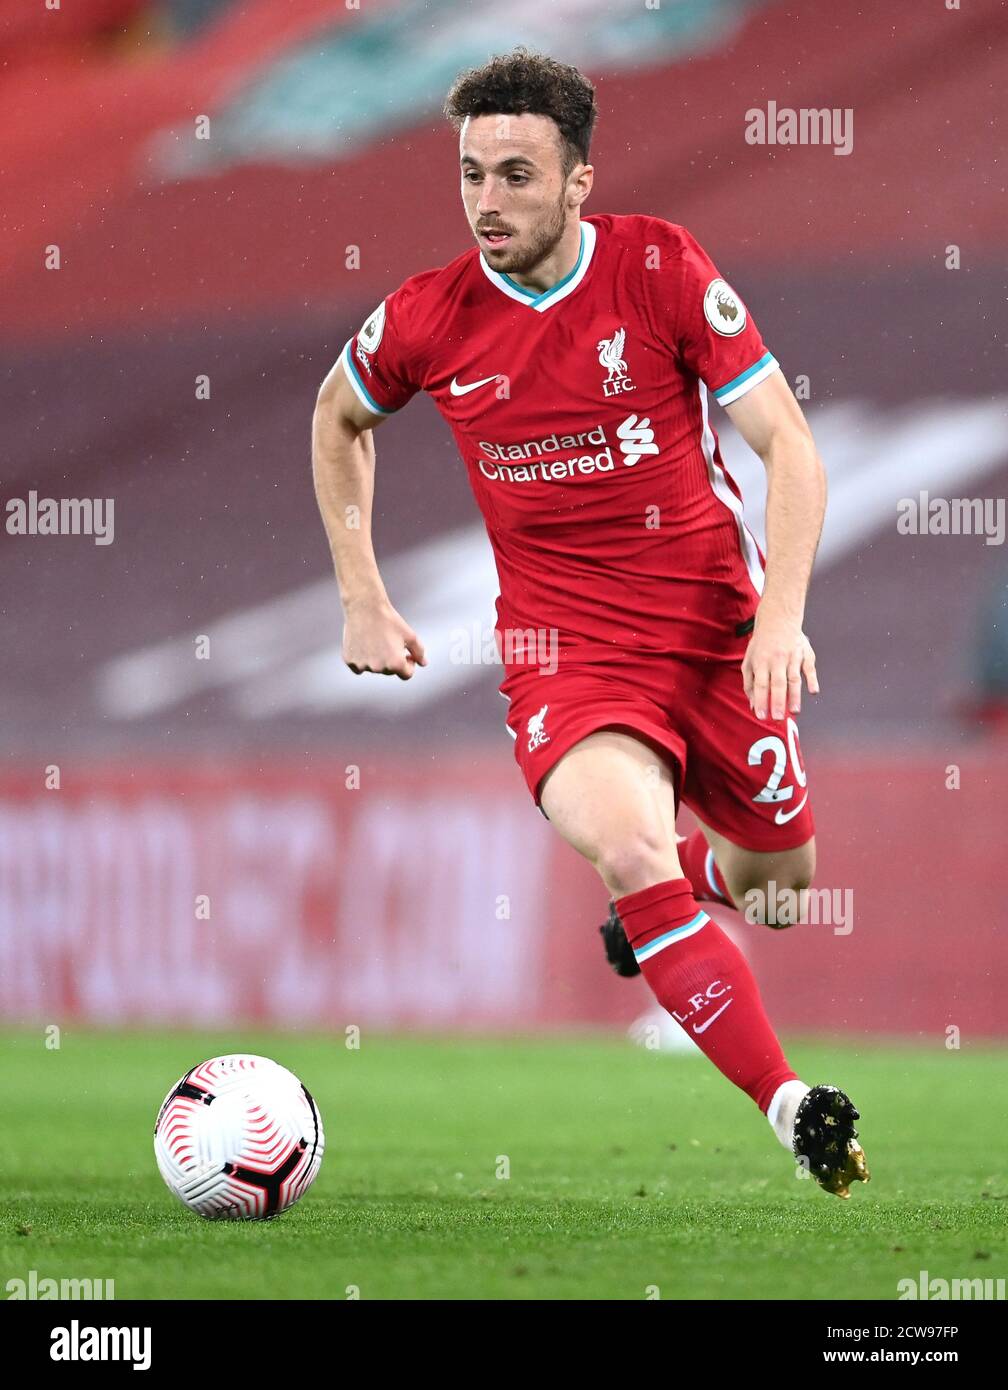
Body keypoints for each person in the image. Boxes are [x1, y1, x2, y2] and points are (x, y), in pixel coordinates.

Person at [312, 48, 869, 1198]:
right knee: (627, 844)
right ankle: (790, 1101)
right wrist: (360, 589)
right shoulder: (428, 314)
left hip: (716, 632)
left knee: (783, 885)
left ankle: (673, 897)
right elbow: (337, 415)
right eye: (471, 174)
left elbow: (788, 446)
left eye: (517, 175)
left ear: (578, 183)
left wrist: (780, 619)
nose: (487, 202)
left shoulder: (661, 267)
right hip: (566, 657)